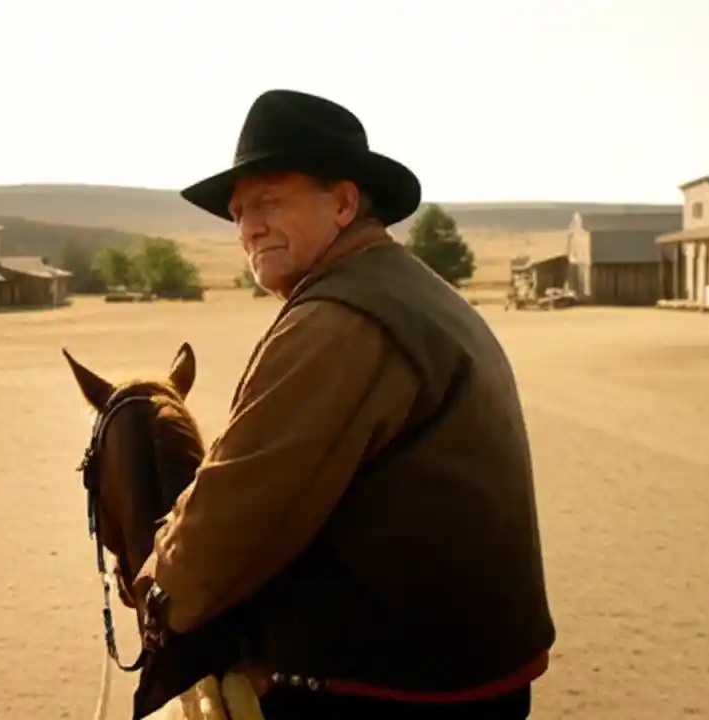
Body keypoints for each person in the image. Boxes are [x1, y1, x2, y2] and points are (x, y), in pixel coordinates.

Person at [131, 90, 555, 719]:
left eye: (270, 201)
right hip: (475, 671)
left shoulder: (339, 319)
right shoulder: (414, 294)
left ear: (345, 203)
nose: (249, 226)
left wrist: (157, 591)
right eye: (239, 212)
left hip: (388, 687)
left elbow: (242, 501)